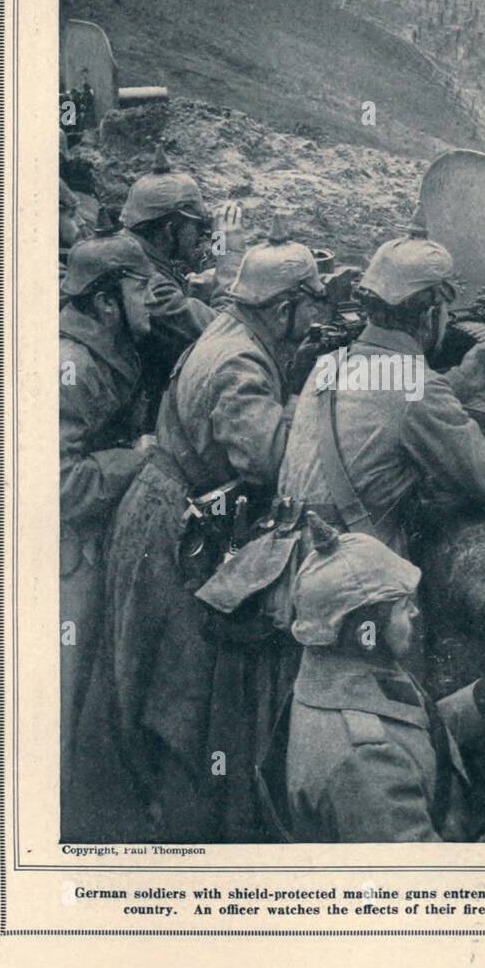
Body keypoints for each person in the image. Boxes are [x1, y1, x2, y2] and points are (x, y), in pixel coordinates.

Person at [99, 219, 328, 843]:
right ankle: (186, 832)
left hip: (167, 512)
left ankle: (167, 811)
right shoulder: (240, 365)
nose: (313, 320)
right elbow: (272, 459)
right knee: (185, 695)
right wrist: (317, 396)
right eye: (309, 306)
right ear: (283, 309)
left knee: (156, 679)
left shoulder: (233, 329)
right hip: (177, 531)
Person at [264, 229, 485, 650]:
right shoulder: (416, 388)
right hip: (359, 591)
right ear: (430, 316)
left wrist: (460, 380)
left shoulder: (331, 365)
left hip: (292, 569)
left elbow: (383, 406)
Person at [259, 512, 485, 842]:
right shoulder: (366, 765)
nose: (415, 612)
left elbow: (403, 734)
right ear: (366, 631)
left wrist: (472, 705)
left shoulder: (341, 672)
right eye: (402, 607)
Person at [59, 233, 157, 826]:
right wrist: (136, 457)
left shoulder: (105, 346)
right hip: (65, 556)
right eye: (140, 289)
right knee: (64, 700)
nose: (150, 301)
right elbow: (58, 483)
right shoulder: (71, 364)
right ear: (104, 302)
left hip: (91, 545)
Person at [119, 148, 246, 423]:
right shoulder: (150, 286)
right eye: (196, 227)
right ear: (168, 230)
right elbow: (230, 331)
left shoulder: (127, 252)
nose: (202, 234)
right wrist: (229, 253)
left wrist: (192, 295)